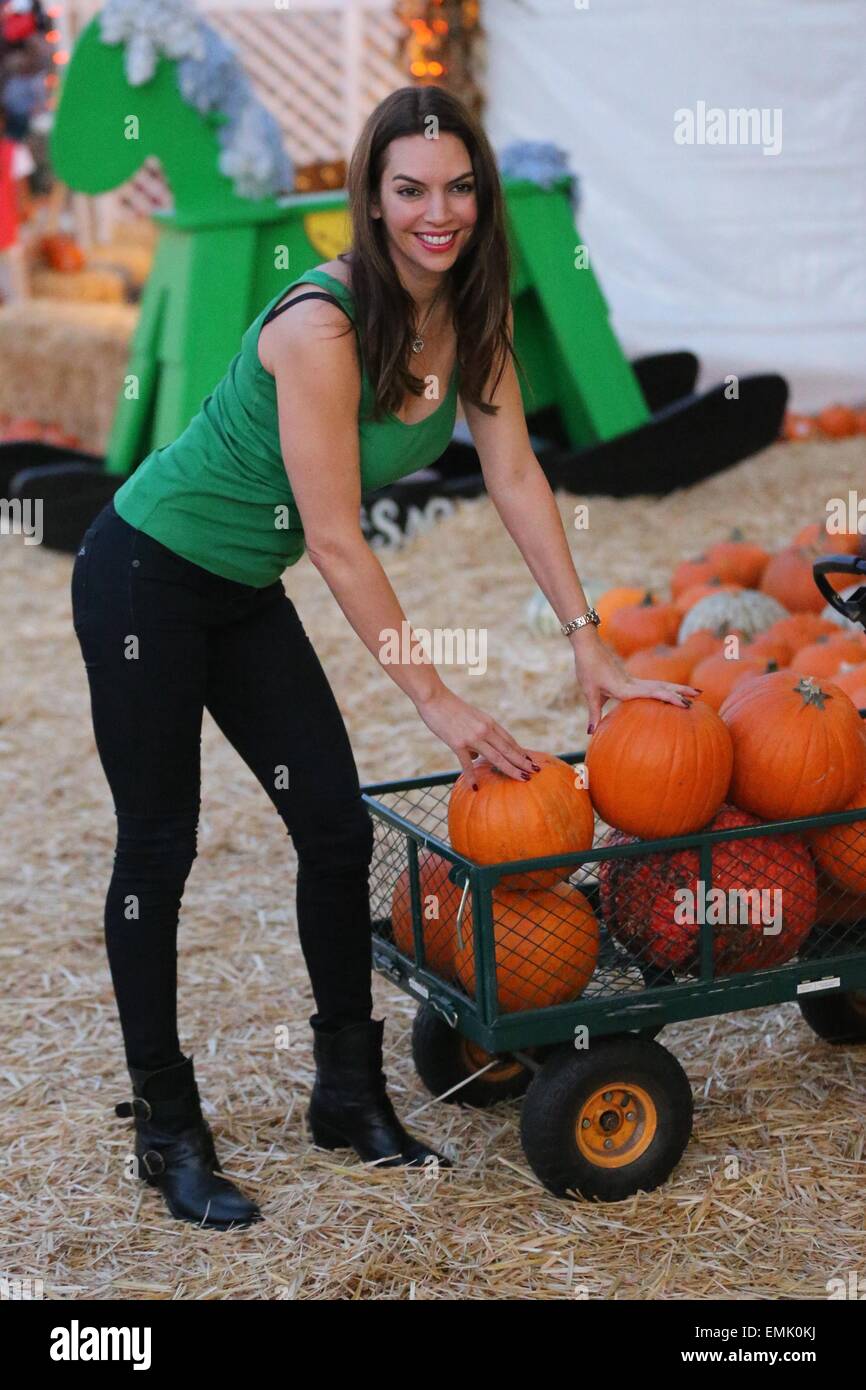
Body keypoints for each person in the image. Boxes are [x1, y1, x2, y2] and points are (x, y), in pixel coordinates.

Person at [70, 86, 700, 1230]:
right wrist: (438, 699)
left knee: (333, 825)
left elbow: (513, 475)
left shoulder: (473, 308)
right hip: (145, 577)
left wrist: (589, 645)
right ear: (368, 197)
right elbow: (334, 538)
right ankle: (168, 1127)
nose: (436, 211)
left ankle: (345, 1094)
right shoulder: (319, 328)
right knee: (157, 847)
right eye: (409, 188)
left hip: (239, 587)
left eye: (458, 186)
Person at [0, 102, 33, 302]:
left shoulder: (15, 152)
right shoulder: (15, 151)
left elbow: (23, 195)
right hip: (9, 229)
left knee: (15, 293)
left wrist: (25, 212)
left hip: (8, 228)